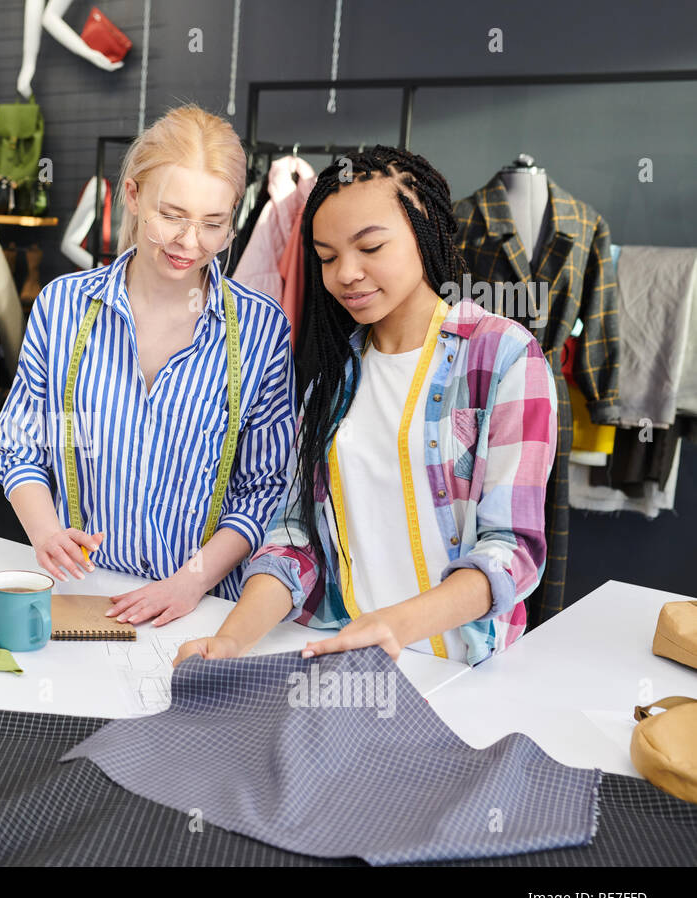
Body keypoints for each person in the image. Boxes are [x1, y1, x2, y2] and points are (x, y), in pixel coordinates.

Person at [175, 145, 558, 666]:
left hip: (464, 671)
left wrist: (393, 625)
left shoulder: (503, 357)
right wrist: (232, 640)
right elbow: (296, 540)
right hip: (347, 660)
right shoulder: (334, 380)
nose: (346, 274)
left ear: (425, 229)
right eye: (328, 257)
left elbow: (512, 551)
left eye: (370, 247)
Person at [0, 105, 294, 625]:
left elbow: (264, 485)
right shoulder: (63, 307)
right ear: (132, 195)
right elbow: (19, 442)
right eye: (171, 216)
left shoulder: (261, 329)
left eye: (213, 223)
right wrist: (45, 531)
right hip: (84, 590)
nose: (189, 242)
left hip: (202, 606)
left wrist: (189, 582)